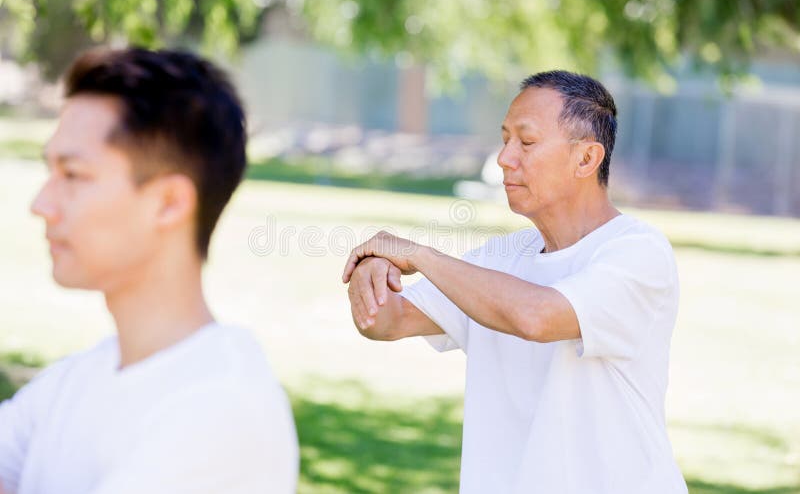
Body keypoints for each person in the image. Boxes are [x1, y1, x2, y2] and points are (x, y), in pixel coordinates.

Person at [342, 71, 688, 494]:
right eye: (505, 139)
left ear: (586, 159)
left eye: (526, 142)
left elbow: (537, 316)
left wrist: (419, 256)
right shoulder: (500, 259)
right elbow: (385, 321)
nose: (505, 158)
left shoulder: (637, 253)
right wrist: (371, 269)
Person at [0, 48, 298, 494]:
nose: (41, 205)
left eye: (74, 175)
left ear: (169, 203)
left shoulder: (221, 412)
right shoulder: (76, 380)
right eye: (50, 171)